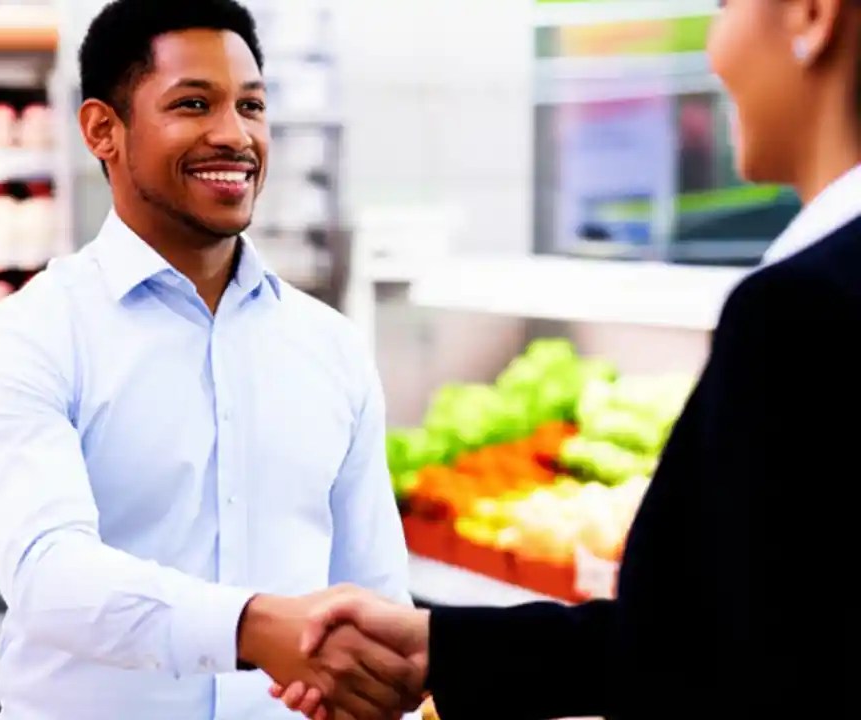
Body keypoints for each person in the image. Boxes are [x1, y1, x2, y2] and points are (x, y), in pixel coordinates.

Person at [272, 1, 861, 718]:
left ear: (811, 15)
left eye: (724, 5)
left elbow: (720, 670)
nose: (712, 49)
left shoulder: (799, 310)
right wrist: (439, 647)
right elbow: (707, 641)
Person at [0, 1, 420, 718]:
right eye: (194, 104)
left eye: (252, 106)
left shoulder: (330, 346)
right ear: (103, 130)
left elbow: (376, 593)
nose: (235, 135)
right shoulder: (30, 337)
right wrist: (255, 627)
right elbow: (48, 575)